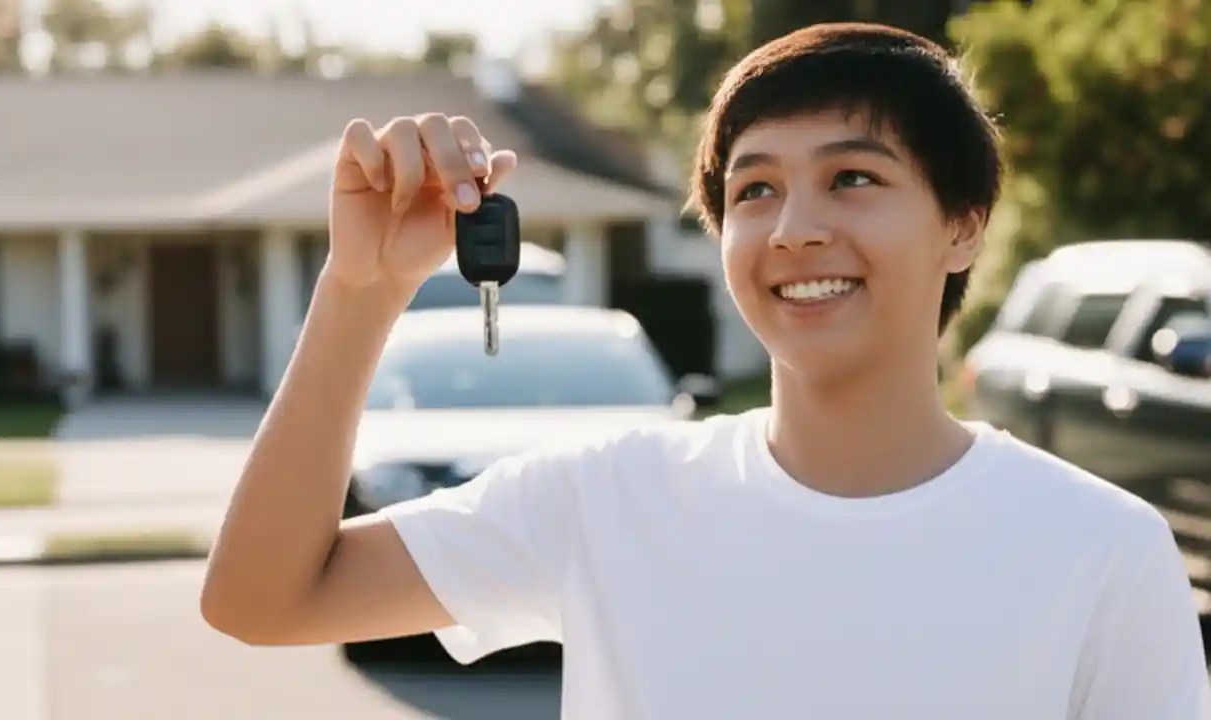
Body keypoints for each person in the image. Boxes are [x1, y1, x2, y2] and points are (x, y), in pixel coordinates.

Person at [200, 22, 1210, 718]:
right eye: (755, 189)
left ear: (960, 227)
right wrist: (361, 288)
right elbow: (260, 599)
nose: (795, 229)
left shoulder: (1098, 550)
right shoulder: (604, 499)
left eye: (852, 178)